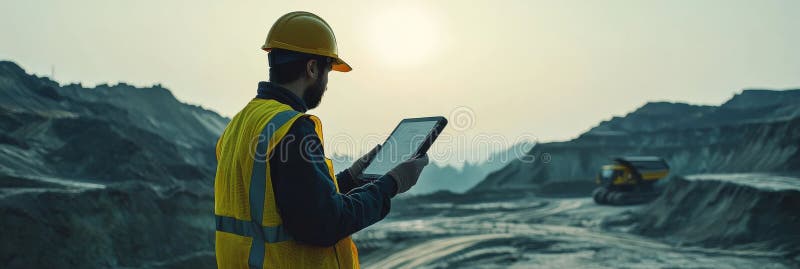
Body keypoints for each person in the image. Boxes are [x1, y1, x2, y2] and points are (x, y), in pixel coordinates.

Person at [213, 11, 429, 269]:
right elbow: (326, 224)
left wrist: (351, 178)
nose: (327, 83)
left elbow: (294, 203)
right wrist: (392, 184)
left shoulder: (242, 123)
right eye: (328, 70)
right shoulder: (292, 129)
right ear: (312, 68)